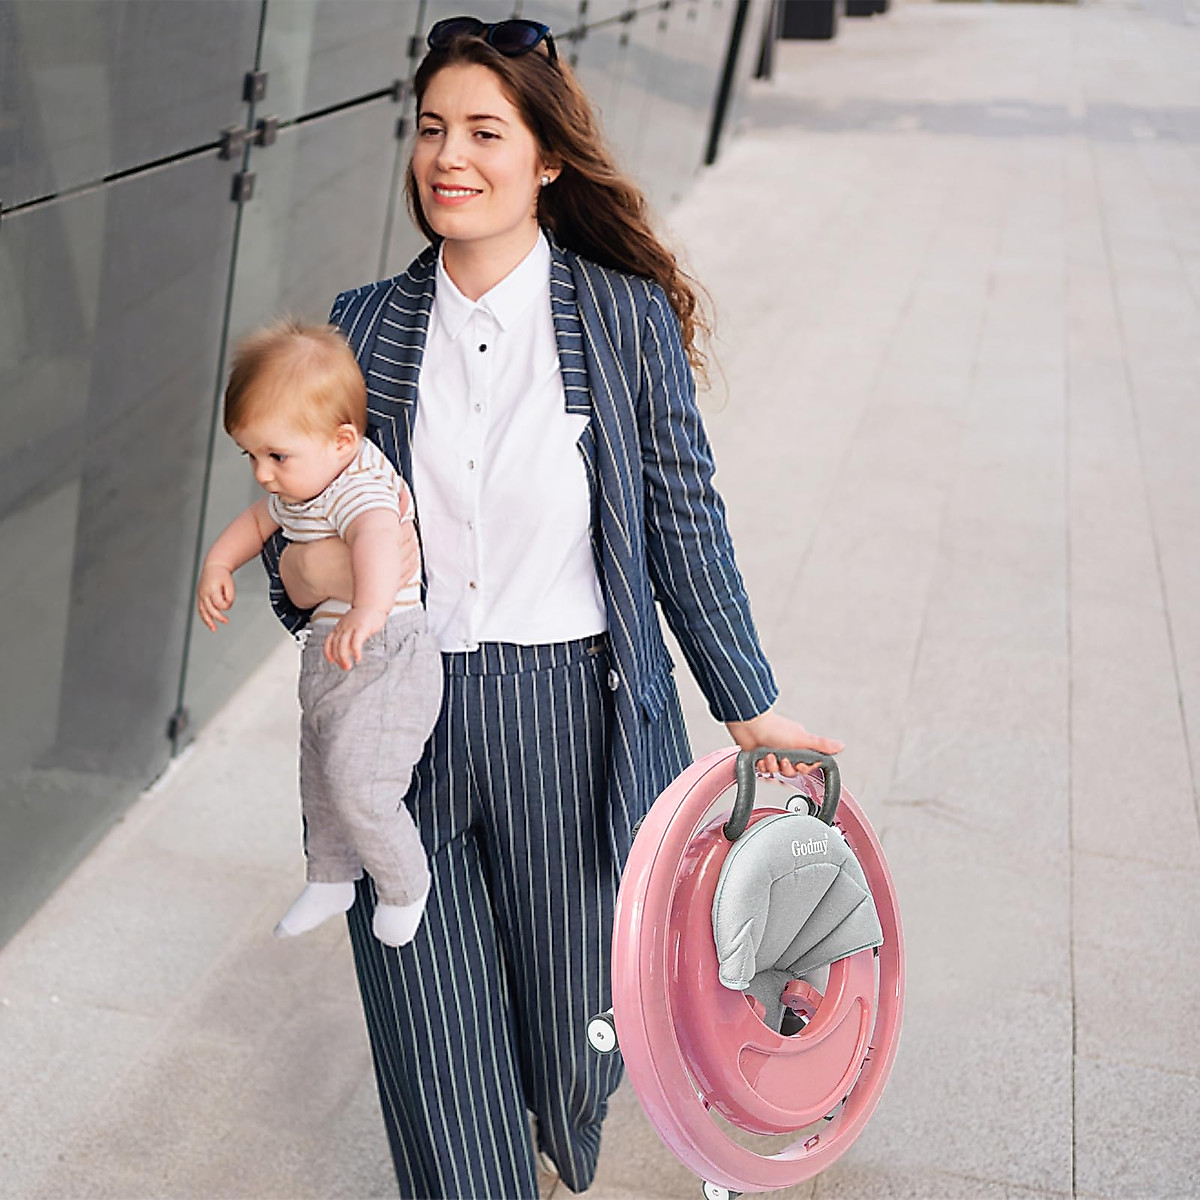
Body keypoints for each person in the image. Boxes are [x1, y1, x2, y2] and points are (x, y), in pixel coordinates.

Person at [263, 16, 843, 1199]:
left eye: (485, 131)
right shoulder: (365, 324)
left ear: (547, 159)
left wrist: (750, 707)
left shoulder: (620, 319)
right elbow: (298, 537)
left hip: (572, 716)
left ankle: (553, 1112)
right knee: (433, 1040)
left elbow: (682, 517)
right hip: (399, 719)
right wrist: (309, 575)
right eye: (431, 128)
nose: (449, 156)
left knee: (583, 1026)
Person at [196, 320, 442, 948]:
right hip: (332, 657)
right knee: (321, 779)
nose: (262, 473)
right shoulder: (306, 481)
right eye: (250, 456)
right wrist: (219, 564)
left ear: (342, 441)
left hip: (388, 653)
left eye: (275, 456)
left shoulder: (359, 485)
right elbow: (259, 521)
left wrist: (368, 609)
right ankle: (331, 877)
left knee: (361, 783)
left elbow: (378, 538)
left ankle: (405, 883)